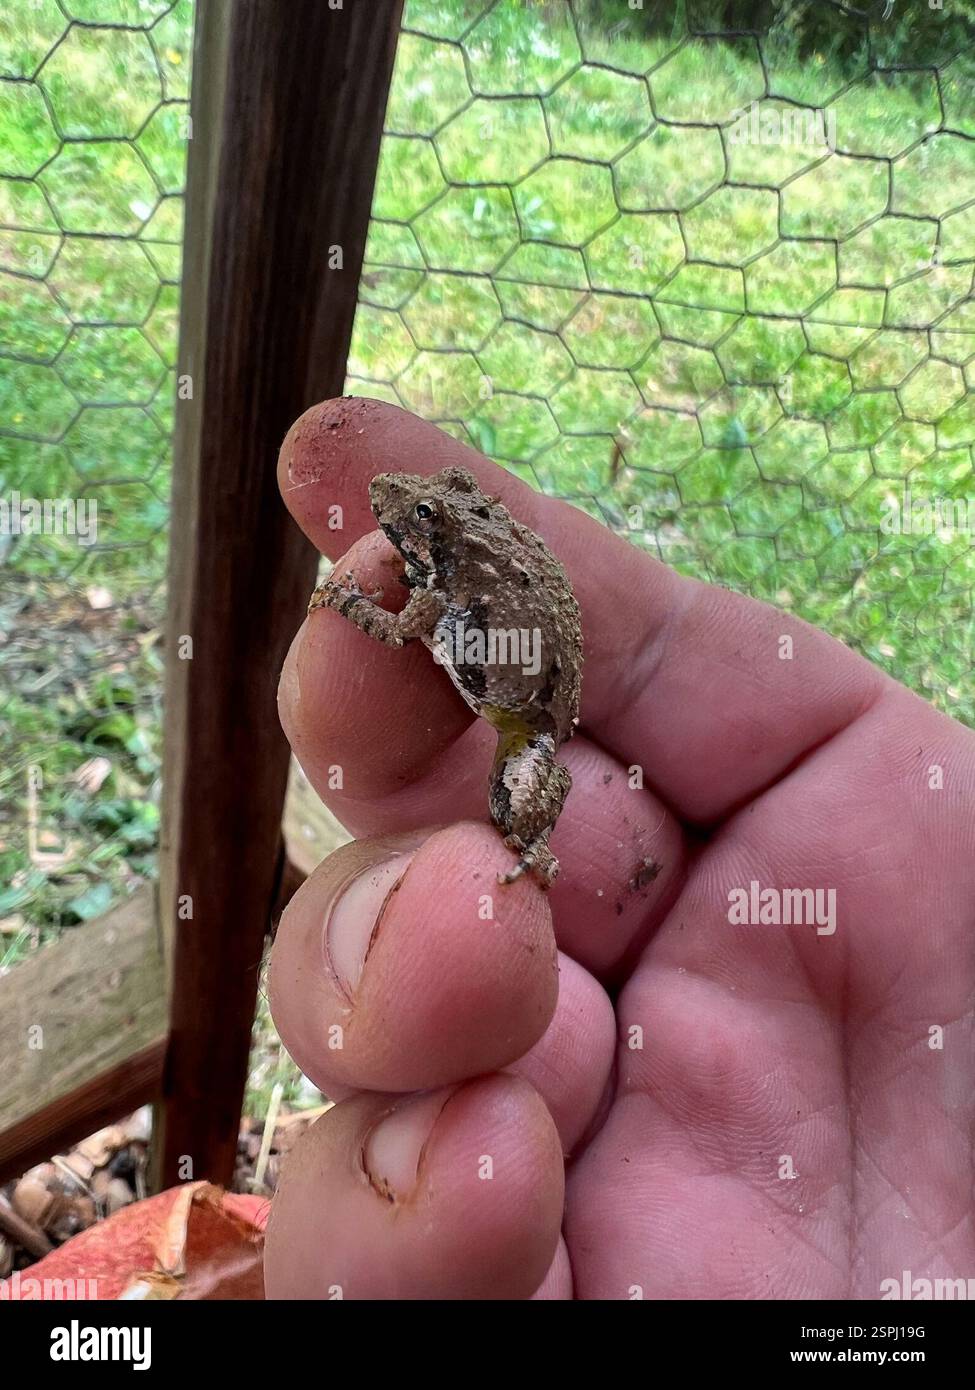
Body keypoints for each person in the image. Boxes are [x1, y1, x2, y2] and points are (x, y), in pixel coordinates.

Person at [264, 398, 975, 1301]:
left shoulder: (442, 589)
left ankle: (536, 853)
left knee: (504, 814)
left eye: (427, 514)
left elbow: (401, 630)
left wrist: (345, 603)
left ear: (443, 539)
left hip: (531, 717)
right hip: (539, 686)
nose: (400, 505)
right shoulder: (448, 575)